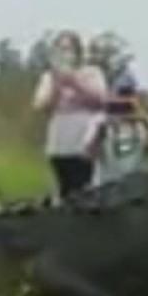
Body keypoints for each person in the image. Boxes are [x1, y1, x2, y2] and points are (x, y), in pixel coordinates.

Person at [32, 30, 108, 200]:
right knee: (64, 186)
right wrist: (57, 85)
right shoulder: (49, 77)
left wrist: (74, 82)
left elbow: (101, 99)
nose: (66, 54)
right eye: (61, 49)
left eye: (69, 49)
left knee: (86, 185)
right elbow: (40, 105)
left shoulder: (92, 72)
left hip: (85, 134)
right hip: (60, 136)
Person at [84, 77, 148, 186]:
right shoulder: (99, 121)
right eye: (122, 95)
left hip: (137, 185)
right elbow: (89, 155)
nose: (125, 101)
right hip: (106, 184)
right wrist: (101, 132)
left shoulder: (147, 121)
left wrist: (143, 122)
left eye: (130, 95)